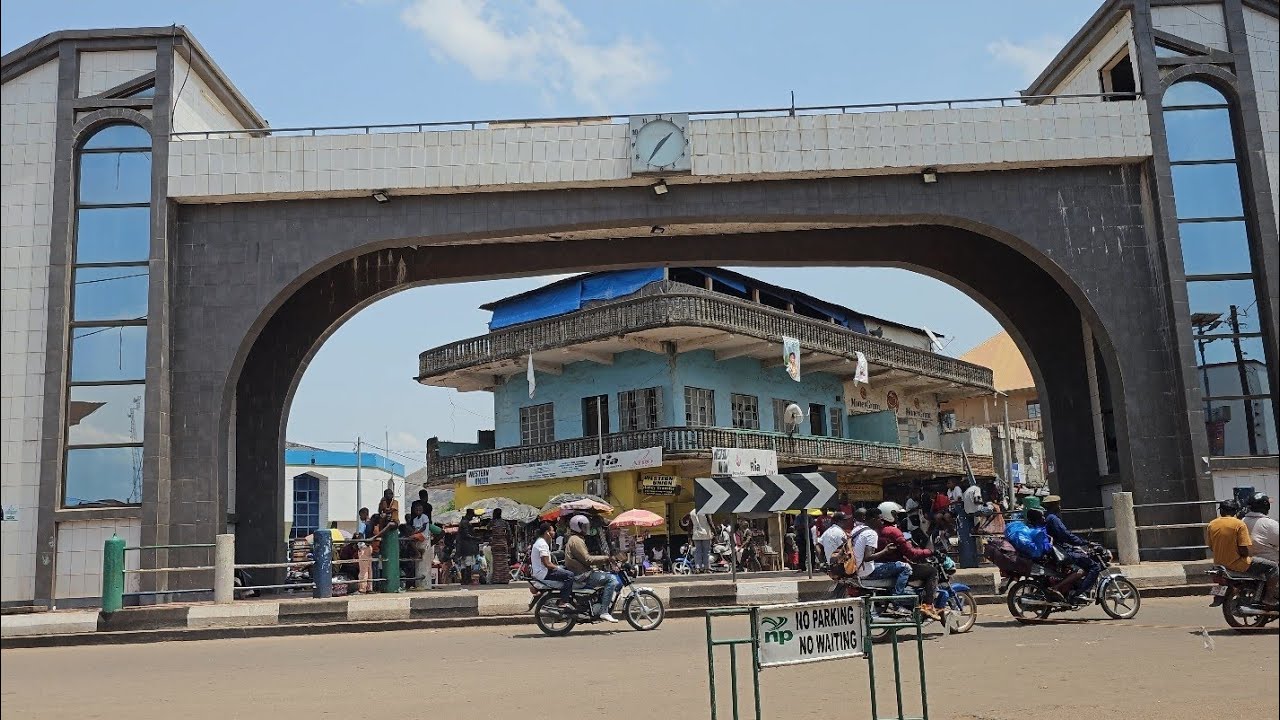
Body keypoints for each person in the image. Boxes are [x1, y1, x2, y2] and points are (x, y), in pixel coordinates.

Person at [876, 502, 942, 620]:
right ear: (889, 514)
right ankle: (927, 606)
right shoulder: (893, 531)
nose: (897, 517)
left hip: (884, 566)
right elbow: (911, 554)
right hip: (898, 566)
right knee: (931, 571)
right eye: (895, 514)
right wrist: (930, 551)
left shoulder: (878, 530)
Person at [1207, 499, 1278, 606]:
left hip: (1219, 564)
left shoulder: (1212, 524)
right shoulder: (1239, 524)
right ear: (1235, 511)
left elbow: (1211, 547)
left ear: (1221, 511)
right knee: (1273, 567)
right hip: (1237, 564)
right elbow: (1244, 550)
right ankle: (1269, 598)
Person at [1042, 495, 1100, 601]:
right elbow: (1066, 535)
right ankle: (1079, 593)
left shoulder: (1047, 517)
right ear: (1054, 505)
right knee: (1094, 566)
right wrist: (1084, 542)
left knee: (1080, 561)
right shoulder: (1053, 519)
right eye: (1058, 504)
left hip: (1056, 549)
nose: (1059, 506)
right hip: (1060, 550)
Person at [564, 514, 620, 622]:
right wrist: (606, 558)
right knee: (611, 579)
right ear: (577, 527)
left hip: (580, 572)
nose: (586, 529)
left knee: (603, 575)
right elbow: (587, 559)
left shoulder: (576, 539)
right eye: (584, 526)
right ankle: (604, 611)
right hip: (582, 574)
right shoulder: (576, 540)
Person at [860, 507, 913, 601]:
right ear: (873, 519)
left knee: (892, 565)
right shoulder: (871, 533)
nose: (882, 522)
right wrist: (885, 551)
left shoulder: (858, 530)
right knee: (906, 567)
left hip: (860, 569)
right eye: (880, 519)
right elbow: (867, 557)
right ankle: (897, 601)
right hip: (867, 571)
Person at [530, 522, 575, 610]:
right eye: (552, 530)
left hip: (540, 571)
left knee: (565, 569)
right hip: (543, 573)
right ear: (547, 532)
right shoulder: (542, 544)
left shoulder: (540, 542)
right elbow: (547, 564)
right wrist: (558, 568)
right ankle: (563, 601)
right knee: (570, 575)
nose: (554, 532)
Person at [1242, 493, 1279, 564]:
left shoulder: (1241, 521)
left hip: (1247, 563)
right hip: (1269, 565)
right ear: (1267, 507)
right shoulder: (1270, 524)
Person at [456, 509, 480, 586]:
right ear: (469, 515)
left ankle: (463, 580)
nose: (472, 518)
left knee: (463, 564)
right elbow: (466, 534)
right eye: (472, 516)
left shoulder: (462, 522)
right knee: (468, 563)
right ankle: (468, 579)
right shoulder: (465, 523)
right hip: (467, 546)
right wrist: (475, 538)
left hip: (461, 546)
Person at [489, 508, 512, 584]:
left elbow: (488, 530)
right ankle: (504, 579)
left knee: (496, 563)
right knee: (504, 562)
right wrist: (508, 542)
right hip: (503, 543)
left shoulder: (492, 522)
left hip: (495, 544)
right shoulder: (505, 523)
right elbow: (509, 534)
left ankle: (496, 579)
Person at [688, 509, 714, 573]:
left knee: (698, 551)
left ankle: (697, 567)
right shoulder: (706, 511)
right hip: (706, 533)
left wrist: (689, 536)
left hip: (696, 534)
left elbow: (690, 525)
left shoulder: (692, 512)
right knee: (706, 552)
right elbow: (710, 523)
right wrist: (715, 533)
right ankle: (707, 568)